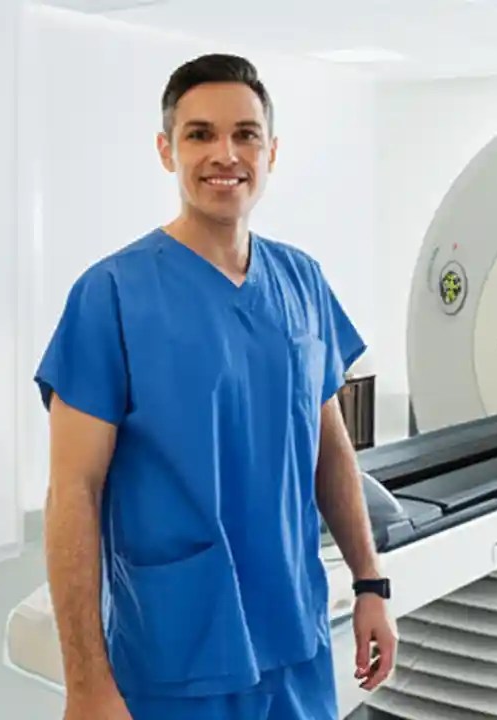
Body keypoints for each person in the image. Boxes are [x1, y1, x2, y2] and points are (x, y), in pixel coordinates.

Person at [35, 53, 398, 720]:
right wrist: (85, 685)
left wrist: (370, 582)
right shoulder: (110, 294)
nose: (224, 154)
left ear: (271, 152)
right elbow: (72, 494)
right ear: (166, 150)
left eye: (245, 134)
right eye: (199, 134)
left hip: (294, 632)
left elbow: (330, 450)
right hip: (174, 649)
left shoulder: (302, 282)